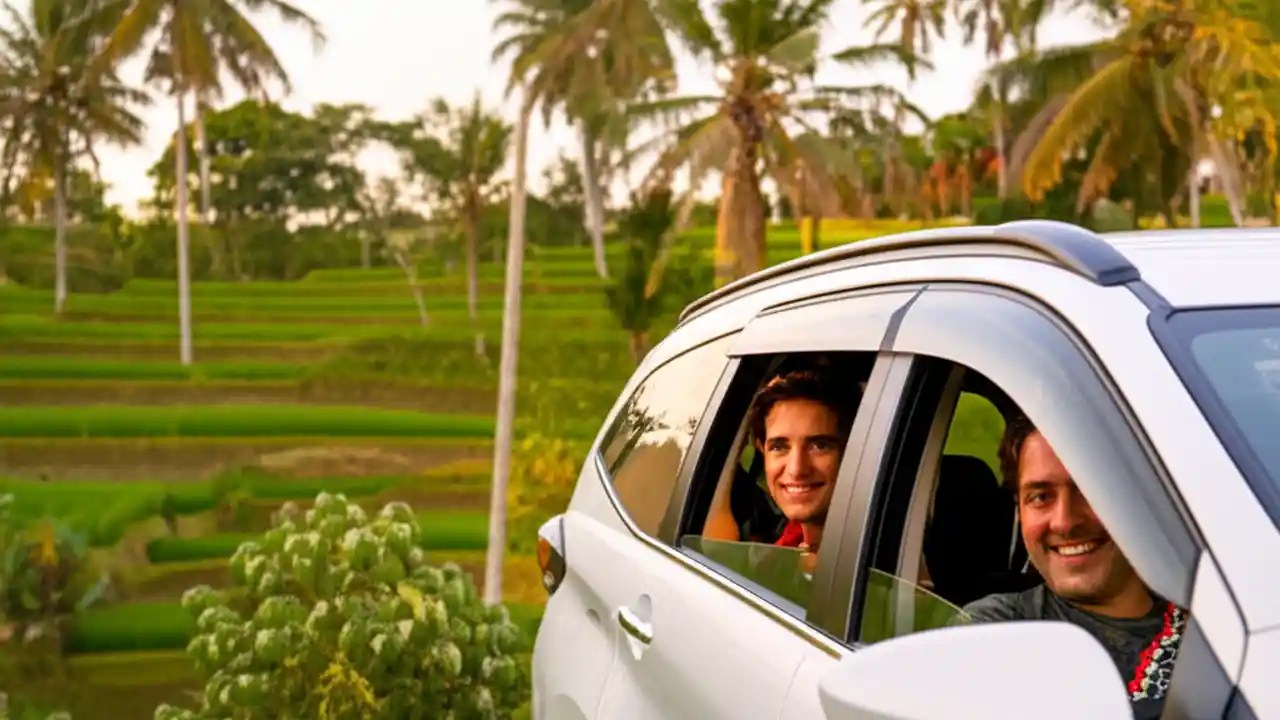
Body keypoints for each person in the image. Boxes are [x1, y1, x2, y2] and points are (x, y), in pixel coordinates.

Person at [962, 414, 1187, 719]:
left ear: (1138, 497)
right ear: (1019, 512)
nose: (1065, 522)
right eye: (1041, 497)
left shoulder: (1220, 622)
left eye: (1090, 490)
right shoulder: (995, 632)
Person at [744, 366, 858, 553]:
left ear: (852, 451)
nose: (796, 469)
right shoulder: (789, 542)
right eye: (779, 447)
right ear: (763, 452)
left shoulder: (877, 556)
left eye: (819, 446)